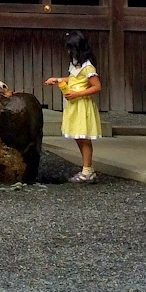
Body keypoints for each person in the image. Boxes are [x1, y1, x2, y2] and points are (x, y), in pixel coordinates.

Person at [44, 30, 102, 183]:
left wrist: (78, 94)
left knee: (84, 136)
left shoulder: (88, 67)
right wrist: (57, 79)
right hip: (74, 104)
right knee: (78, 136)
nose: (68, 51)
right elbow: (73, 79)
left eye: (70, 48)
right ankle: (87, 168)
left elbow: (97, 86)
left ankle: (87, 171)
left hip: (82, 104)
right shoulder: (75, 63)